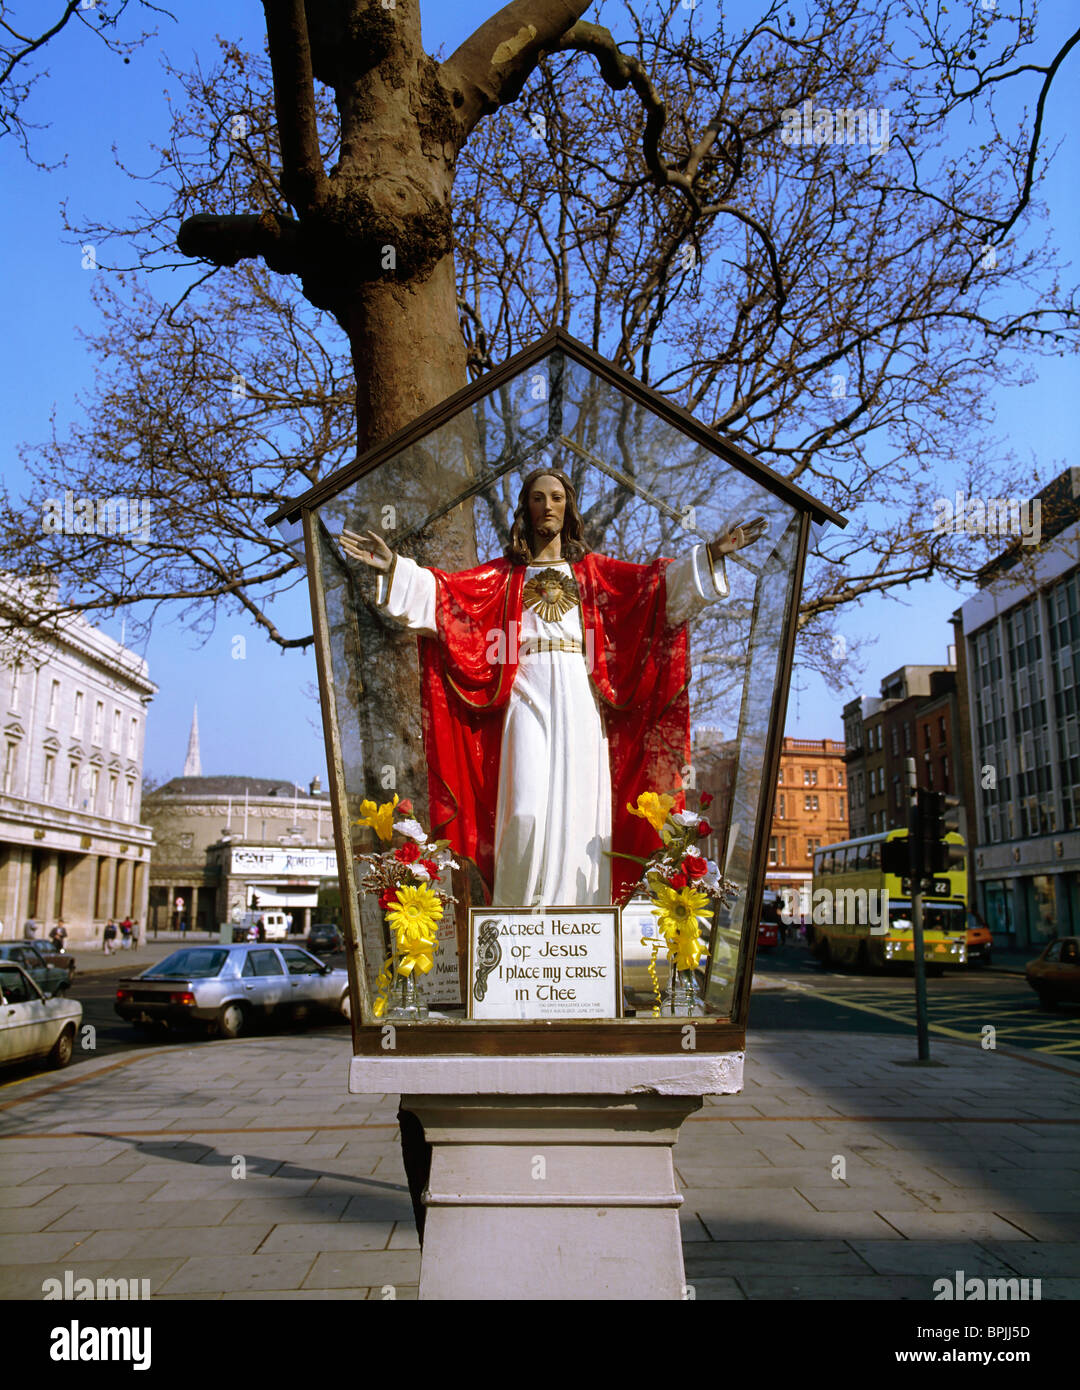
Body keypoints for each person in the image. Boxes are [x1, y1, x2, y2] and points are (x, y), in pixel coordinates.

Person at [341, 467, 765, 909]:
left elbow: (655, 590)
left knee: (581, 809)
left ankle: (579, 916)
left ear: (569, 508)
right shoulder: (504, 578)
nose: (548, 506)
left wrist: (714, 553)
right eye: (539, 498)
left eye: (557, 498)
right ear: (526, 508)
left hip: (579, 693)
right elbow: (450, 597)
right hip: (526, 689)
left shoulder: (593, 575)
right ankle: (518, 916)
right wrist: (395, 568)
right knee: (524, 809)